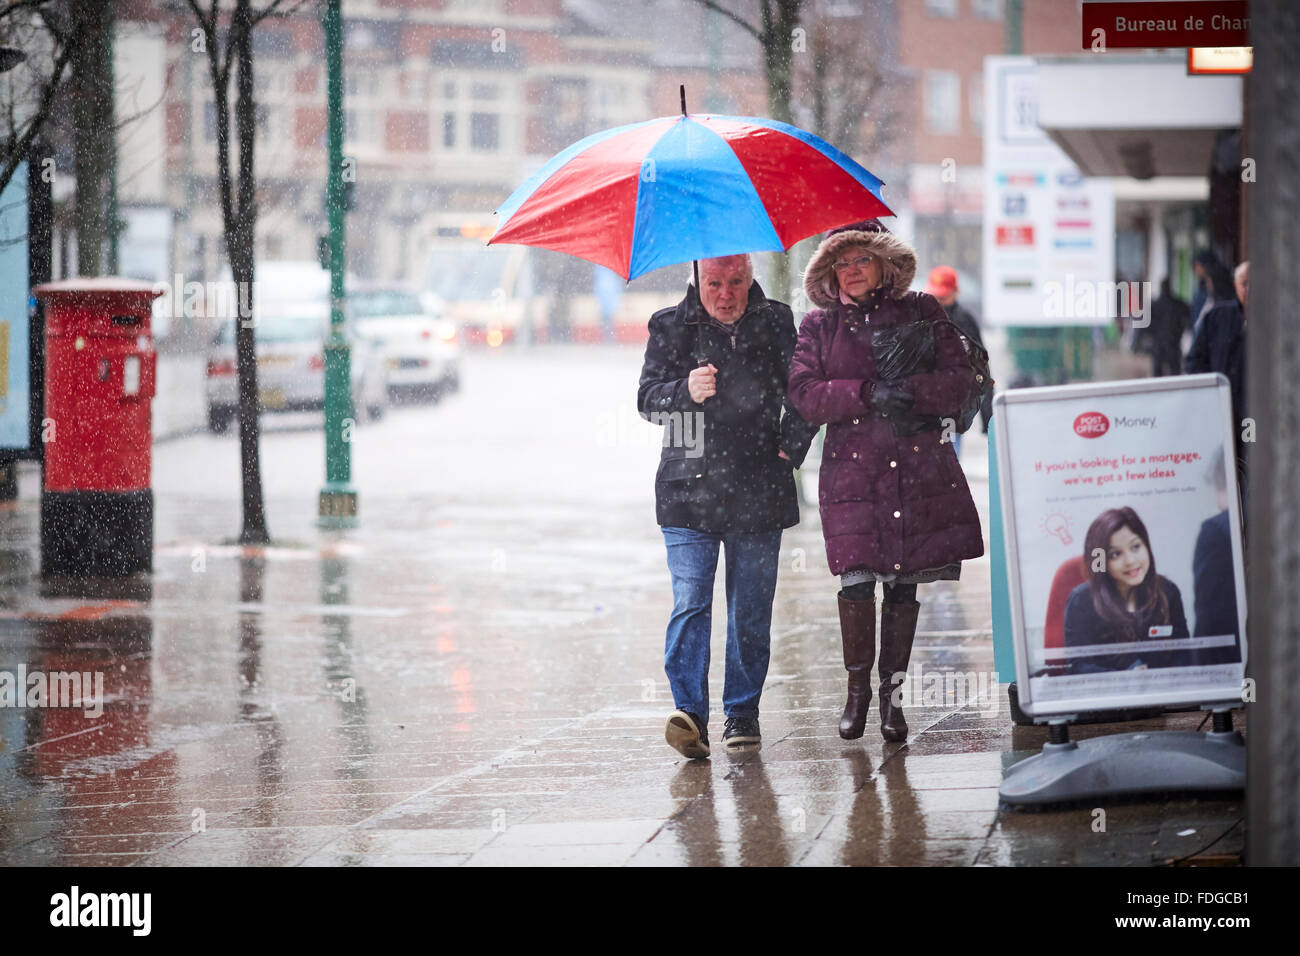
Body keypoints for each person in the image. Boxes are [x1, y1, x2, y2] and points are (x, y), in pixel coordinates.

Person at [788, 221, 984, 742]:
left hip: (915, 469)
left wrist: (911, 394)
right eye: (842, 262)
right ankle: (857, 695)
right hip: (851, 474)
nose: (852, 272)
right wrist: (866, 393)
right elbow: (805, 392)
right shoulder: (818, 326)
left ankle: (892, 703)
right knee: (855, 579)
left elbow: (960, 380)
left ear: (884, 264)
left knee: (902, 583)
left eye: (862, 260)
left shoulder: (923, 310)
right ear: (830, 271)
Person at [637, 254, 818, 759]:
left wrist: (793, 444)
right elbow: (647, 400)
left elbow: (805, 392)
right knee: (691, 601)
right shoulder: (670, 326)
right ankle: (690, 714)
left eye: (735, 282)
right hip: (686, 489)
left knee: (749, 611)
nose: (725, 294)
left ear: (751, 277)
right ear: (697, 278)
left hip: (759, 488)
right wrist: (683, 390)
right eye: (715, 283)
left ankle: (742, 712)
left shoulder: (778, 321)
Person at [1063, 507, 1191, 673]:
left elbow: (1184, 654)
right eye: (1115, 554)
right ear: (1101, 560)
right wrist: (1124, 678)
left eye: (1136, 546)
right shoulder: (1082, 600)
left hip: (1162, 691)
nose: (1130, 561)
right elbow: (1079, 666)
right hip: (1109, 695)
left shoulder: (1167, 591)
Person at [923, 265, 991, 457]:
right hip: (922, 405)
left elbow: (981, 367)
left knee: (947, 460)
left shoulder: (964, 321)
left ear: (955, 292)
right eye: (935, 296)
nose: (939, 301)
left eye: (943, 296)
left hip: (950, 408)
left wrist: (988, 416)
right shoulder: (920, 318)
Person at [1186, 261, 1247, 465]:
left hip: (1253, 417)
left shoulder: (1274, 322)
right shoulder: (1216, 317)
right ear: (1235, 284)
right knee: (1223, 470)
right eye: (1244, 283)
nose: (1249, 289)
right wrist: (1209, 390)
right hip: (1220, 412)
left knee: (1253, 462)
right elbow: (1194, 360)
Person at [1148, 277, 1190, 377]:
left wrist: (1153, 335)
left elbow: (1146, 326)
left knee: (1157, 374)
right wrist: (1180, 331)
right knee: (1175, 373)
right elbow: (1189, 318)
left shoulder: (1154, 305)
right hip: (1173, 342)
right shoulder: (1179, 304)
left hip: (1159, 343)